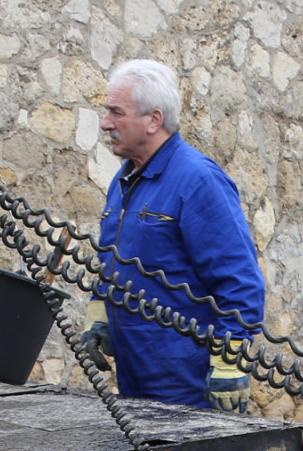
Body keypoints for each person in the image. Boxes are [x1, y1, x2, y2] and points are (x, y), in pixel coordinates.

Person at [82, 59, 264, 411]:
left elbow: (239, 279)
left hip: (187, 381)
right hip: (135, 373)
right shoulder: (125, 182)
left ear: (153, 120)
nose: (106, 124)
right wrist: (100, 316)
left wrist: (230, 359)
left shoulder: (198, 181)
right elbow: (113, 260)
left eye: (116, 113)